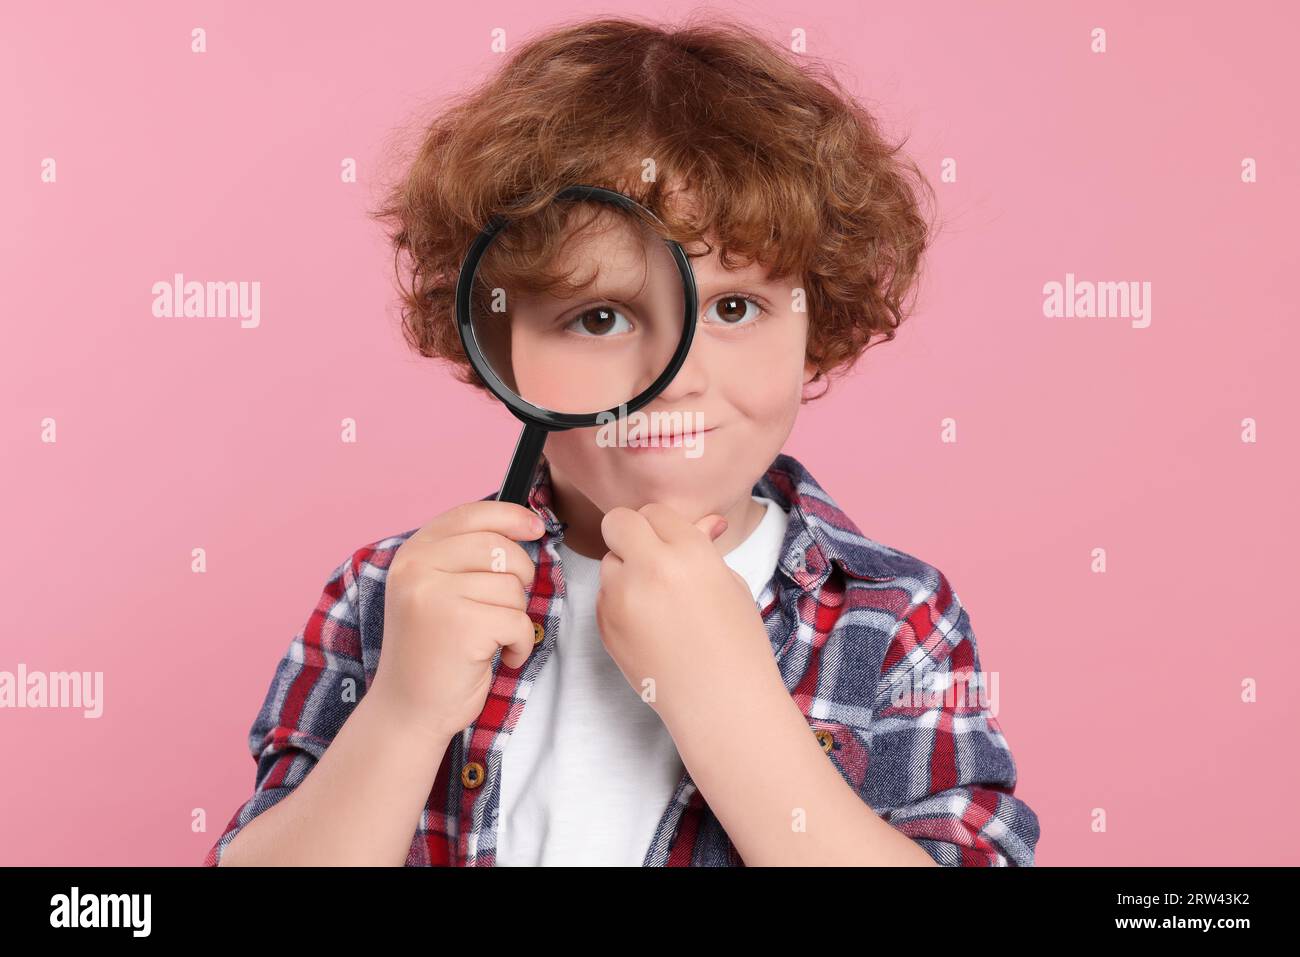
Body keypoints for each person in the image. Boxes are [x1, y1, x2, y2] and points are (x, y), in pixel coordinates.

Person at [204, 15, 1039, 867]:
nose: (676, 376)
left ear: (815, 317)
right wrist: (404, 711)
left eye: (734, 307)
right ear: (499, 345)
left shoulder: (891, 617)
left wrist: (728, 707)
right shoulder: (392, 595)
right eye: (600, 316)